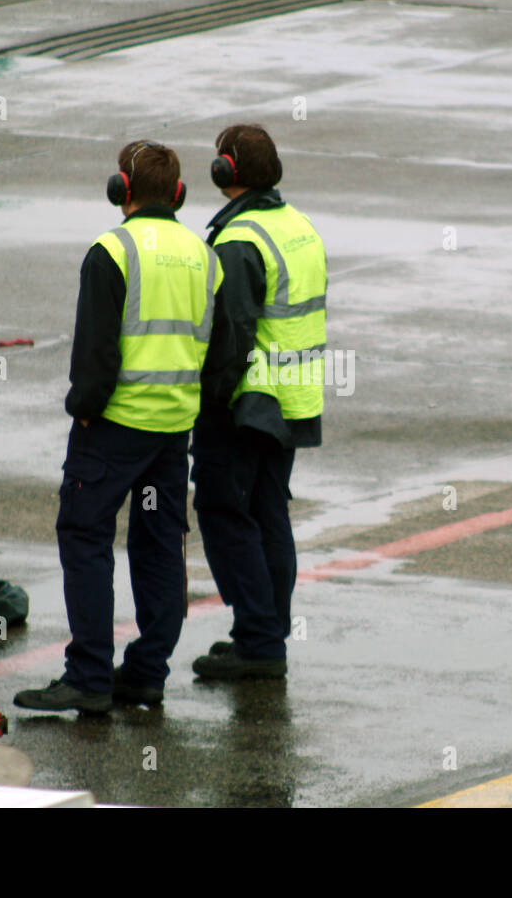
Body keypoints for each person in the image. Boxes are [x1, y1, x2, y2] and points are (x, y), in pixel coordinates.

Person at [16, 140, 234, 714]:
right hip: (170, 433)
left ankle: (88, 675)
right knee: (159, 545)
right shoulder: (205, 256)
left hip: (112, 428)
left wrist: (84, 407)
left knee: (86, 537)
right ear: (179, 193)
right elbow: (224, 354)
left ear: (122, 190)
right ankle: (146, 672)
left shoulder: (111, 251)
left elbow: (95, 351)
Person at [190, 123, 327, 680]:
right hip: (292, 397)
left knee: (226, 512)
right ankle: (264, 633)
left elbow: (233, 334)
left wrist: (210, 399)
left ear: (226, 172)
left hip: (248, 402)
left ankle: (260, 641)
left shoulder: (240, 240)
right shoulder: (298, 226)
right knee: (269, 513)